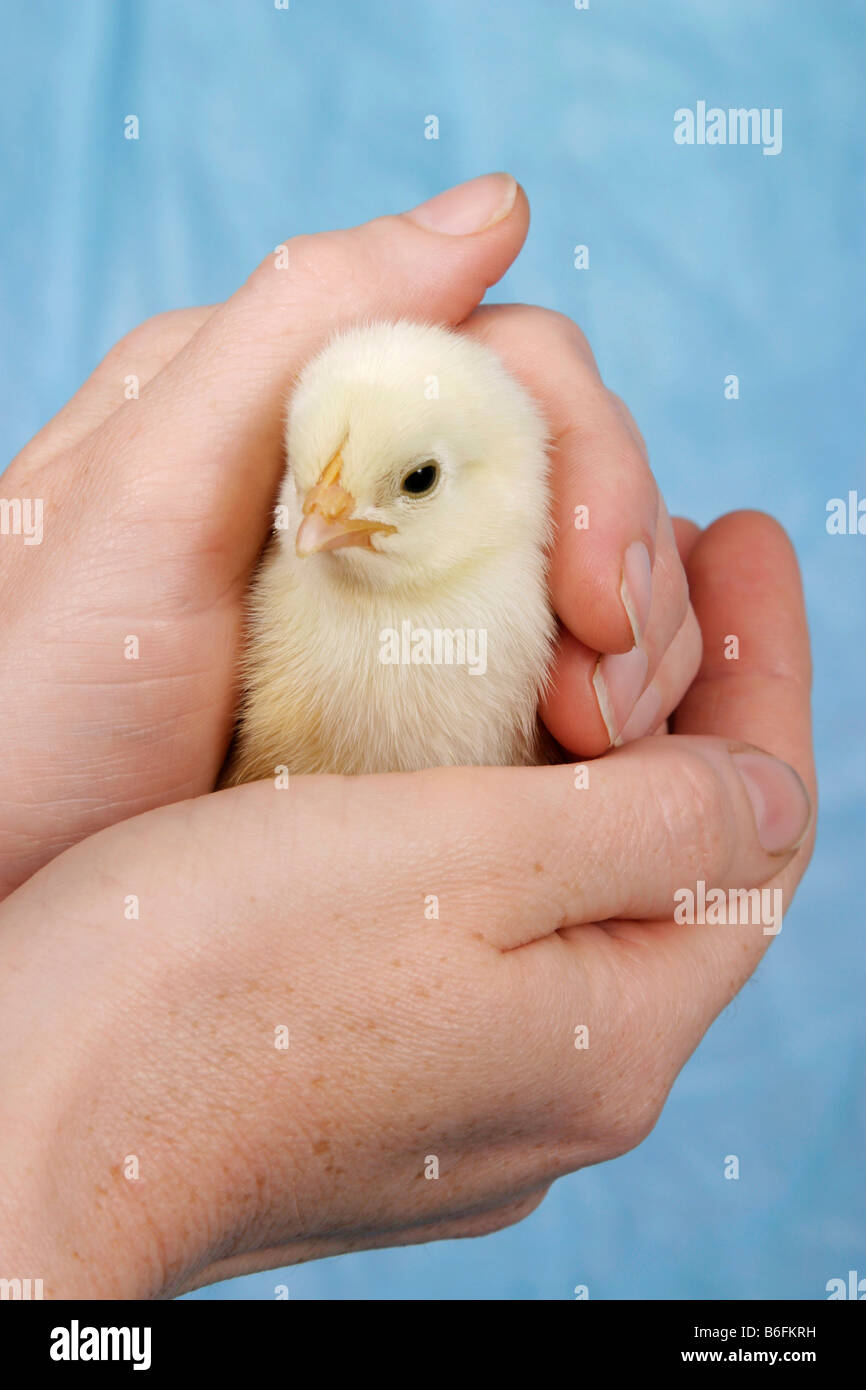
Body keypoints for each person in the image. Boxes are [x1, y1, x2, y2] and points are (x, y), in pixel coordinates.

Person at [0, 176, 814, 1298]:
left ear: (488, 484)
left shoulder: (508, 597)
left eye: (413, 481)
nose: (323, 515)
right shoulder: (288, 580)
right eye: (309, 468)